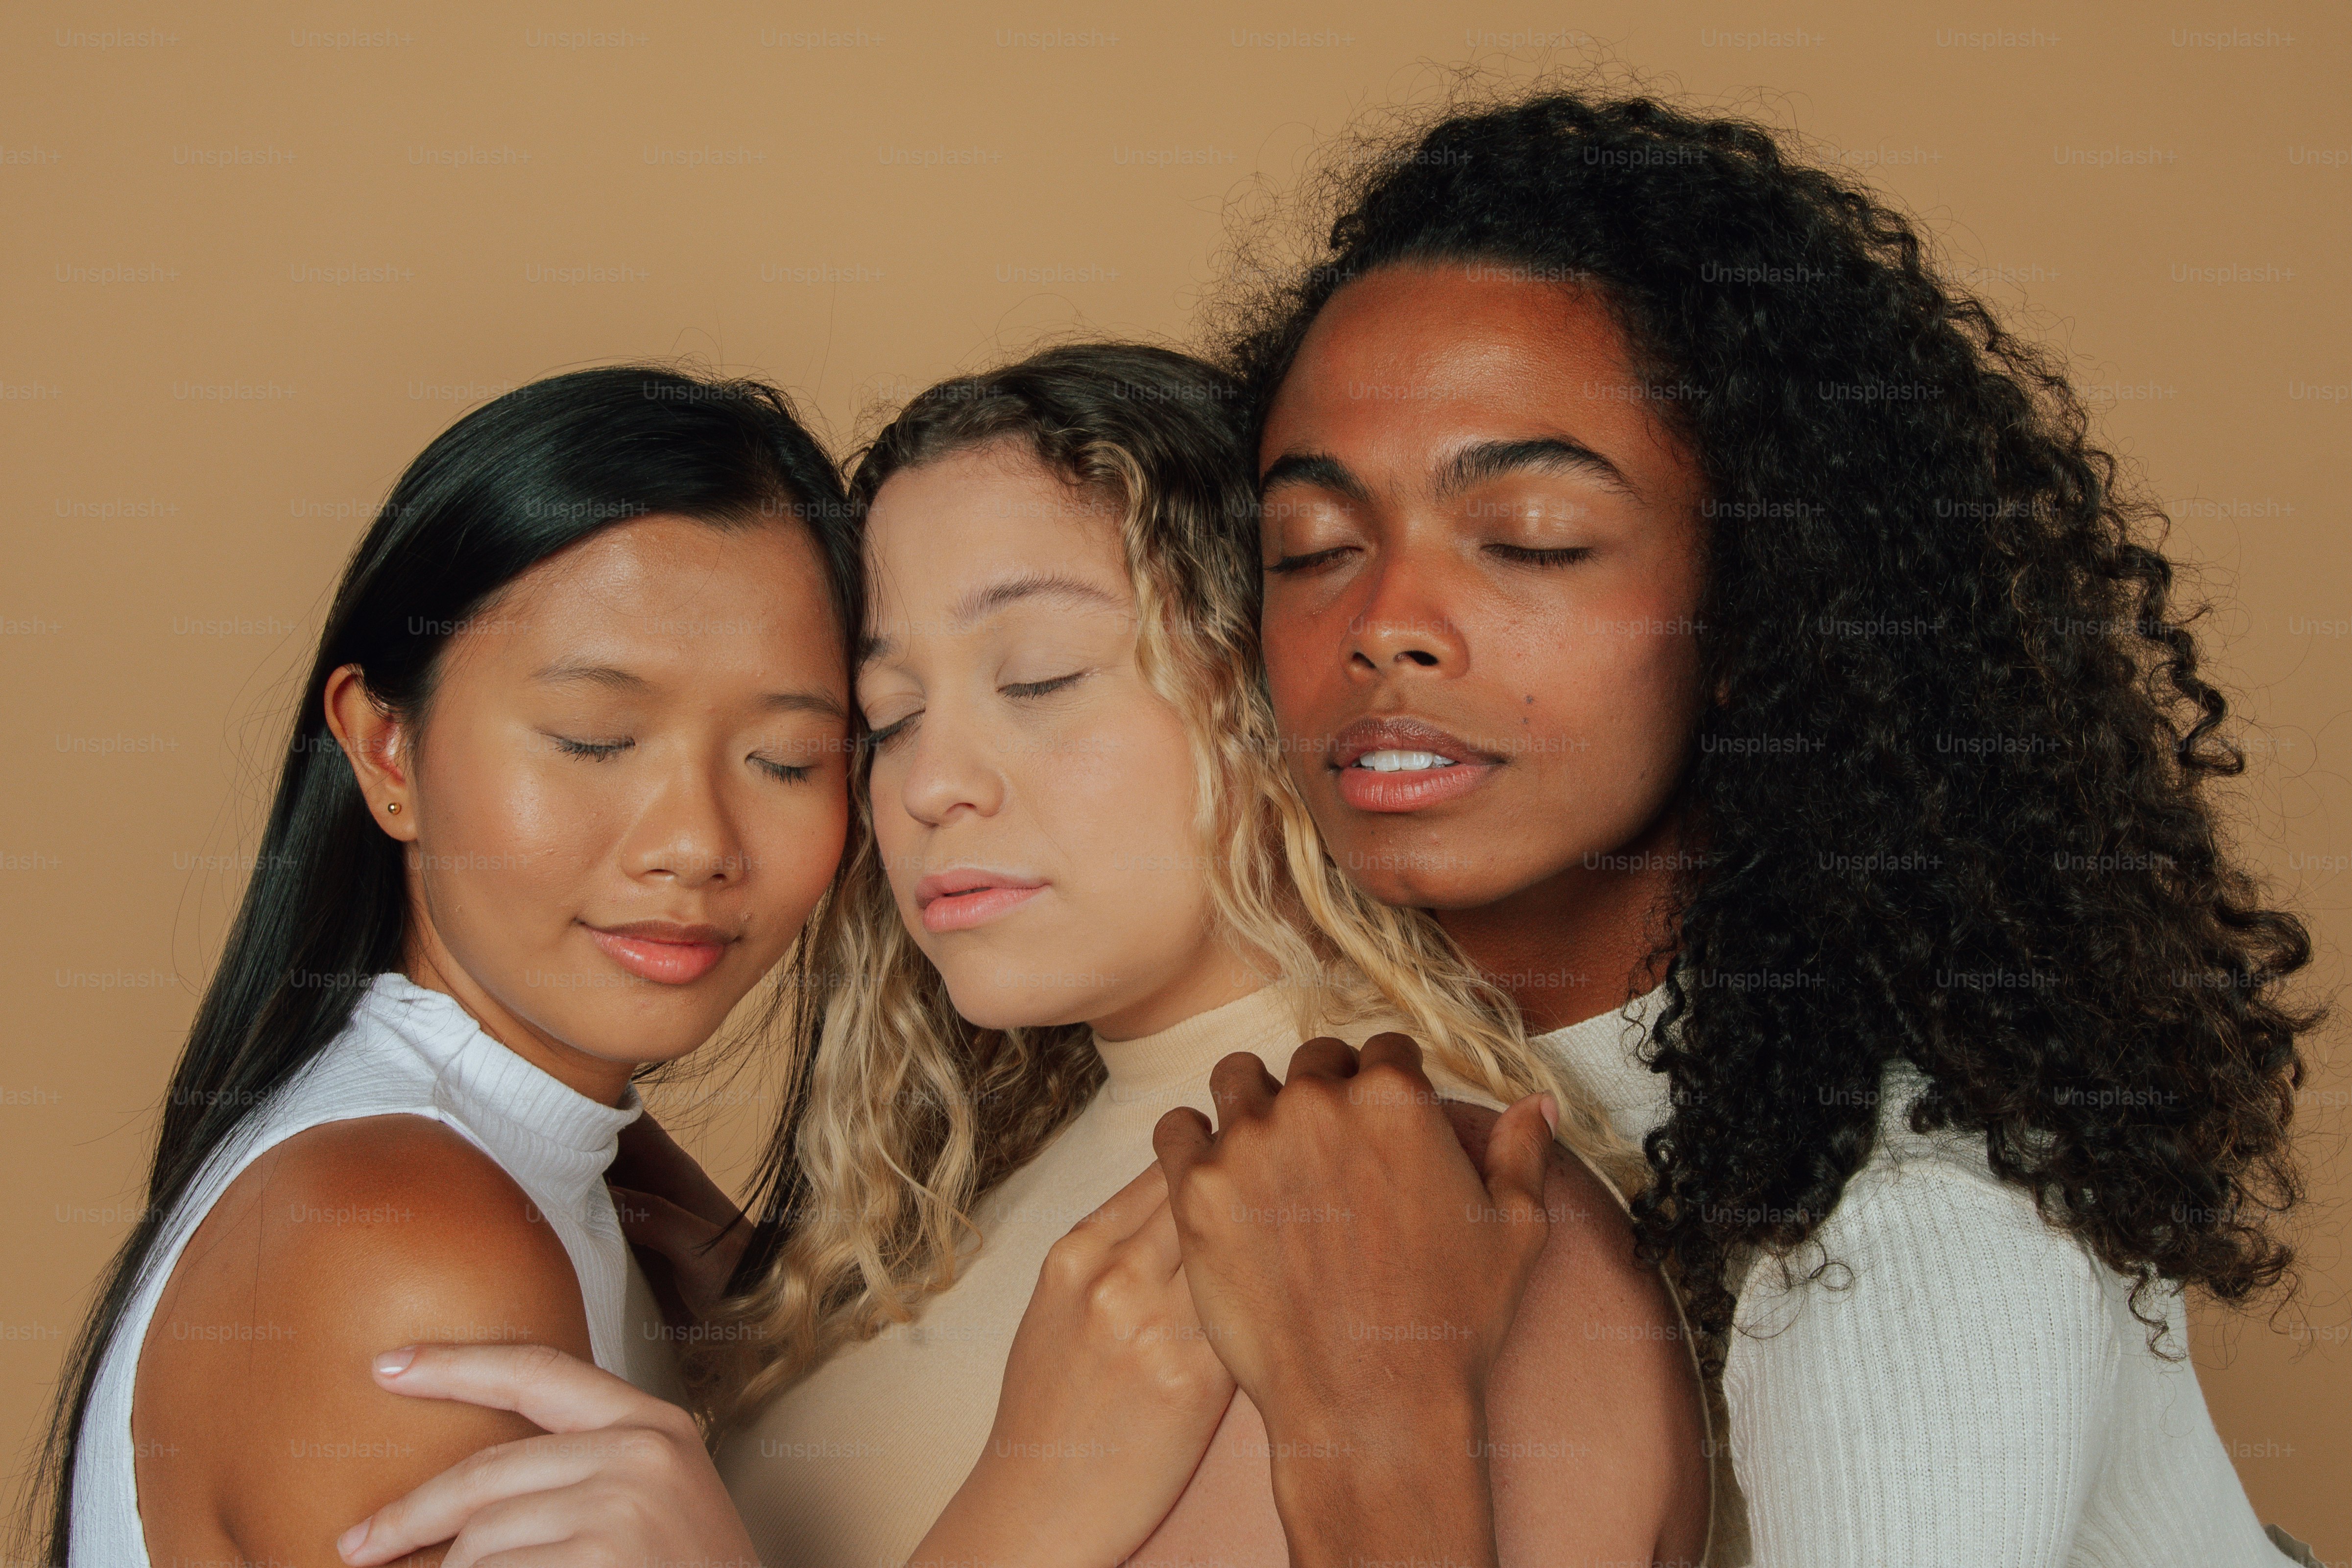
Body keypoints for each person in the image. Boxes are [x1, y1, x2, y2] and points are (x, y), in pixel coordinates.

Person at [1169, 84, 2322, 1566]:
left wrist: (1371, 1427)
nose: (1384, 621)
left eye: (1531, 538)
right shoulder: (1348, 1093)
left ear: (1756, 611)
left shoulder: (1912, 1240)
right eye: (1310, 546)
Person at [330, 345, 1715, 1567]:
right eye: (887, 717)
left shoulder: (1400, 1209)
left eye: (1038, 678)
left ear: (1261, 684)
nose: (932, 783)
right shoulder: (1033, 1181)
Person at [24, 365, 861, 1567]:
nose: (695, 842)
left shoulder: (582, 1174)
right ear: (386, 748)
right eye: (594, 738)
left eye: (786, 758)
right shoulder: (402, 1247)